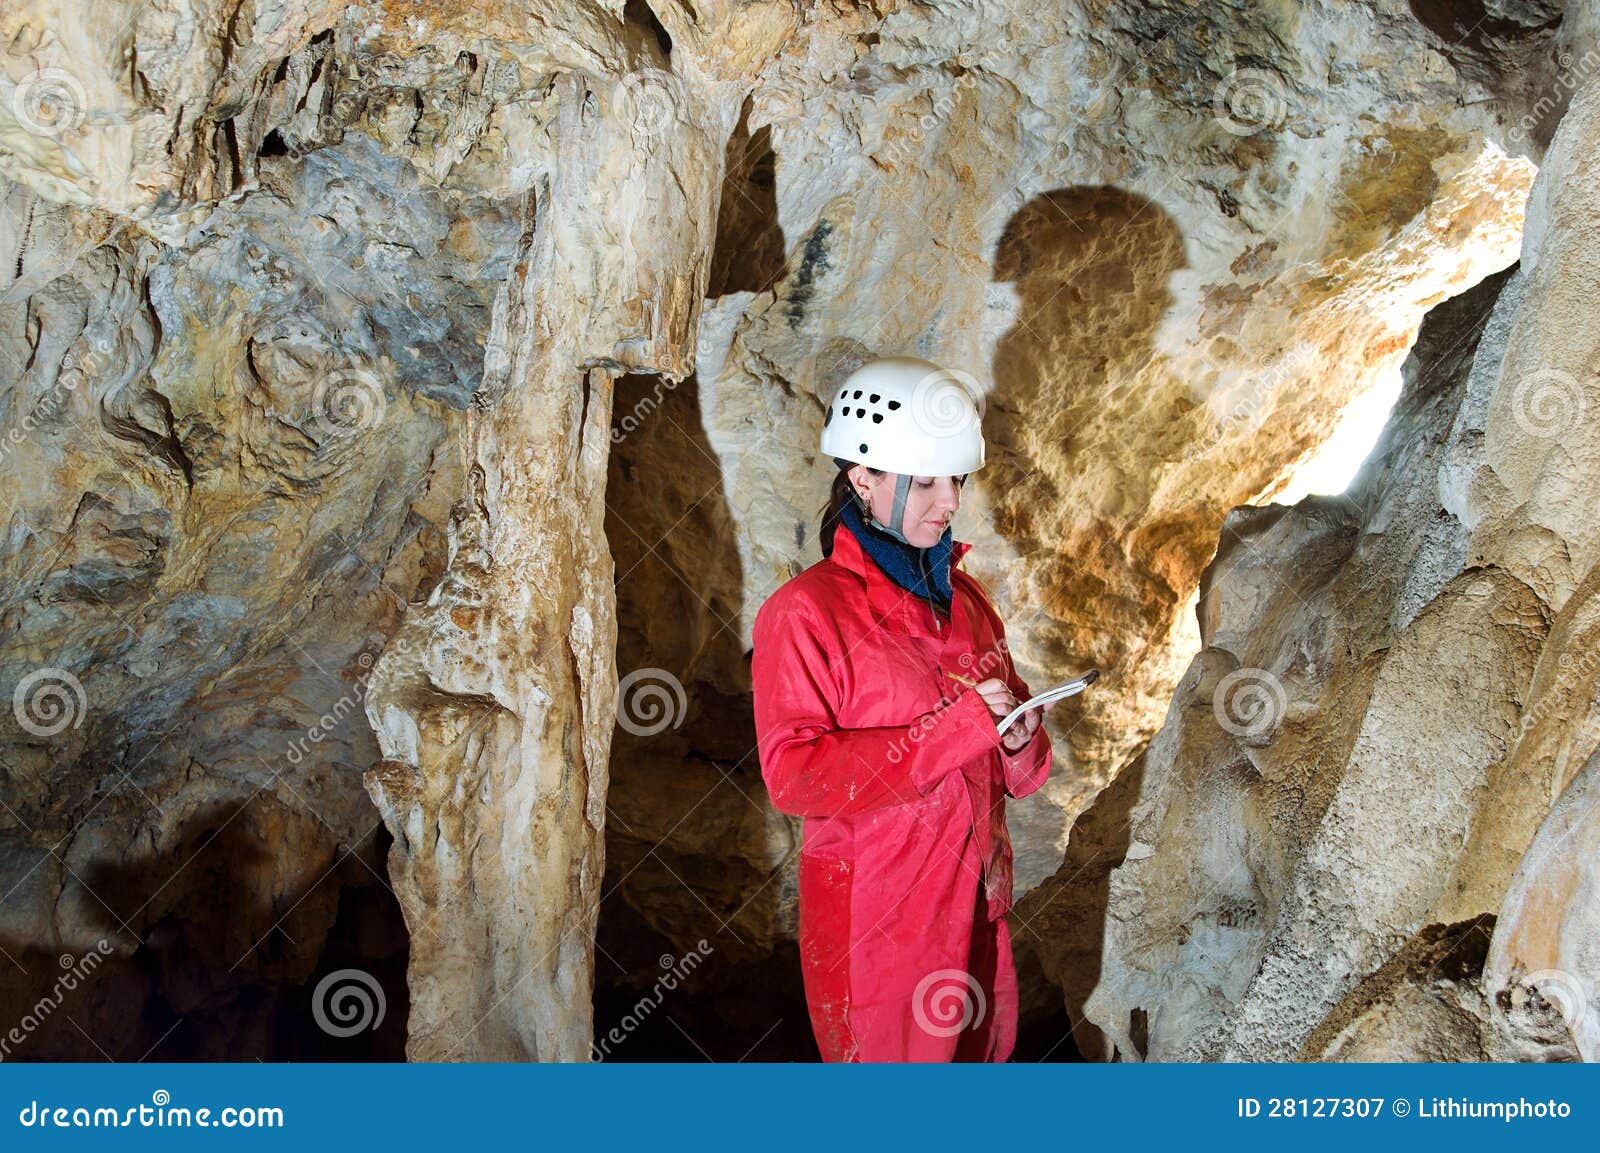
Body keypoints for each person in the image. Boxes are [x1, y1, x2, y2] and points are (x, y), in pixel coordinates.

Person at [750, 355, 1056, 1062]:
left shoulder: (967, 598)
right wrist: (951, 734)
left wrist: (1018, 742)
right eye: (925, 481)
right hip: (878, 923)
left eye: (956, 480)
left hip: (977, 899)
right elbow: (792, 774)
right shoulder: (805, 613)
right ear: (863, 477)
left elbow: (1017, 767)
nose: (948, 501)